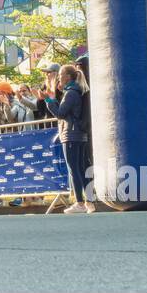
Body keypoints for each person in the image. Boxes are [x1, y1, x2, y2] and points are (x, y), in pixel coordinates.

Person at [46, 64, 95, 213]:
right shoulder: (75, 90)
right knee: (80, 168)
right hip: (78, 134)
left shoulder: (71, 93)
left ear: (67, 77)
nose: (59, 78)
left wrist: (49, 101)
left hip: (71, 134)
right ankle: (88, 201)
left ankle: (80, 203)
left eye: (61, 75)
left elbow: (60, 113)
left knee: (74, 169)